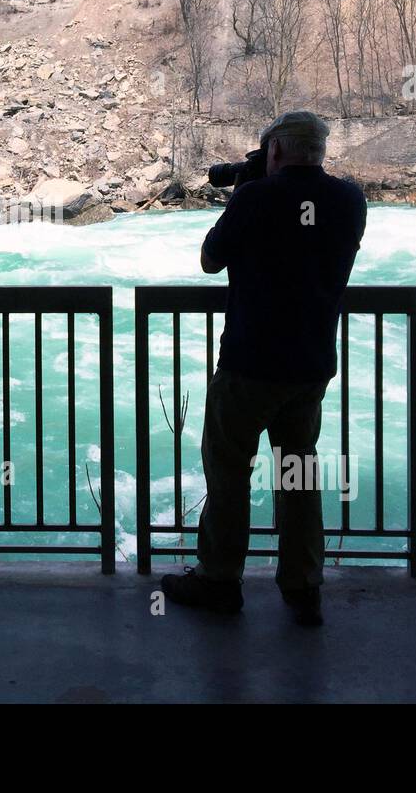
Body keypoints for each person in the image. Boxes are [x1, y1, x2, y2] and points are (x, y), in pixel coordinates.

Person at [161, 111, 367, 627]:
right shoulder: (350, 200)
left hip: (250, 363)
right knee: (299, 476)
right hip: (311, 365)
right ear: (320, 150)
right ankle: (304, 589)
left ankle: (219, 582)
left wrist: (246, 192)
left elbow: (211, 259)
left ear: (274, 150)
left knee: (229, 472)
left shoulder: (254, 199)